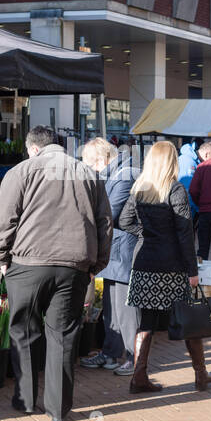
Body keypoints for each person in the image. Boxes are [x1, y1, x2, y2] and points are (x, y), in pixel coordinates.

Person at [0, 126, 112, 421]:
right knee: (63, 335)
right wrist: (96, 264)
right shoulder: (89, 175)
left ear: (33, 148)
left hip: (28, 263)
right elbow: (105, 223)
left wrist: (0, 257)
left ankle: (26, 400)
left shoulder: (20, 172)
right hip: (74, 265)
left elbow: (5, 218)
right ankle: (58, 408)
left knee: (24, 330)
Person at [118, 140, 211, 393]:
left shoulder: (139, 188)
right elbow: (184, 234)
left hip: (144, 263)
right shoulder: (175, 190)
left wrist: (145, 233)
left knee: (147, 322)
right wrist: (192, 271)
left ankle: (138, 377)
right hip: (171, 265)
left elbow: (124, 220)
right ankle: (200, 375)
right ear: (172, 162)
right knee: (188, 319)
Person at [79, 138, 138, 375]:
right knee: (111, 307)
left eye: (92, 166)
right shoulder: (115, 174)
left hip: (123, 251)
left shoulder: (126, 175)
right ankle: (111, 353)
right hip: (114, 252)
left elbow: (108, 214)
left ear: (102, 160)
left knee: (126, 309)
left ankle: (135, 359)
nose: (92, 172)